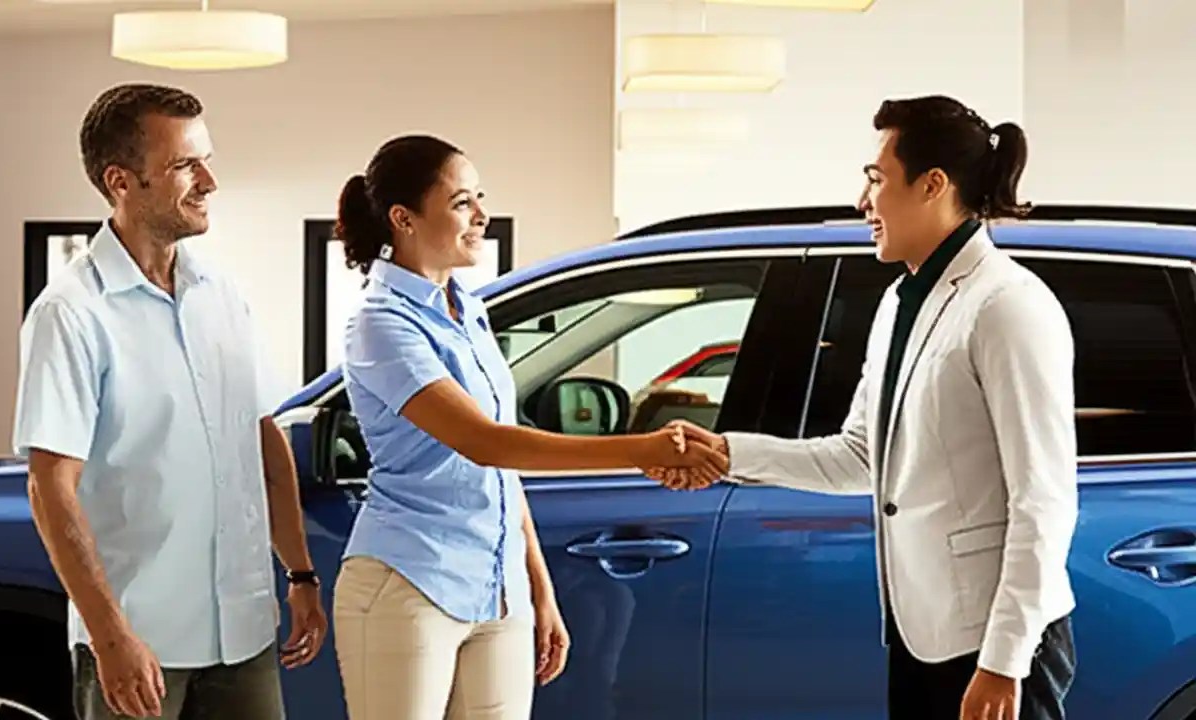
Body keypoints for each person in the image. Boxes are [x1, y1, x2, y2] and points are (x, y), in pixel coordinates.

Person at [654, 95, 1078, 720]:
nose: (862, 202)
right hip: (922, 629)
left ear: (933, 184)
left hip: (994, 643)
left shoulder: (1007, 305)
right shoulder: (900, 301)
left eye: (876, 180)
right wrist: (728, 453)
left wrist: (1004, 662)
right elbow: (859, 456)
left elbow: (1043, 499)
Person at [331, 134, 724, 720]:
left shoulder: (471, 310)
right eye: (463, 201)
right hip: (410, 580)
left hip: (497, 587)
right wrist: (641, 448)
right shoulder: (379, 323)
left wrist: (537, 587)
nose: (481, 215)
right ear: (403, 218)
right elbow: (484, 441)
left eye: (479, 198)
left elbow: (501, 464)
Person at [13, 83, 327, 720]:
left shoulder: (223, 293)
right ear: (122, 181)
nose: (209, 179)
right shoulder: (70, 314)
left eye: (205, 159)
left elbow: (261, 440)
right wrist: (110, 637)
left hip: (243, 634)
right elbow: (51, 489)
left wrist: (299, 572)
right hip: (139, 643)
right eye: (185, 164)